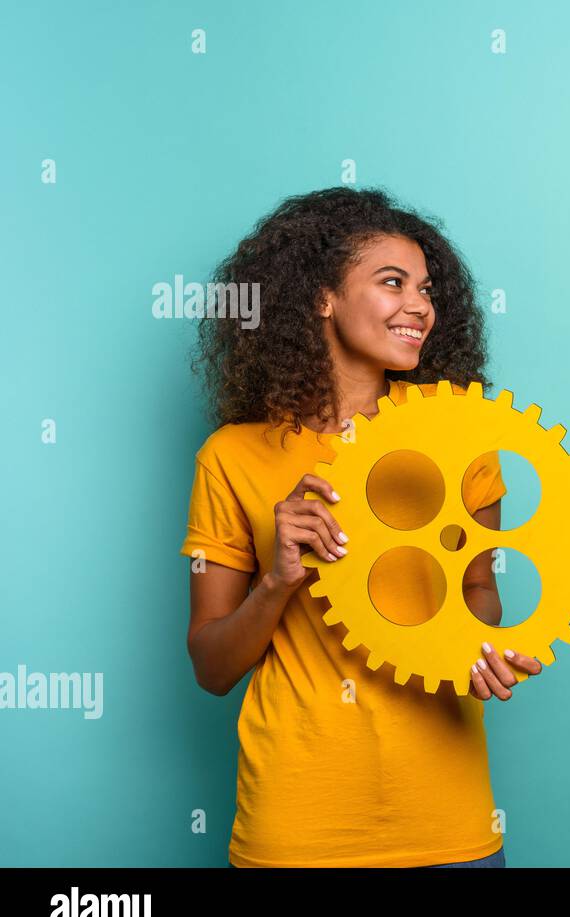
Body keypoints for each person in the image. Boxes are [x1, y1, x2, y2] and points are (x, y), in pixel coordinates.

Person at [182, 187, 536, 867]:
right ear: (321, 298)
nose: (421, 305)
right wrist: (277, 582)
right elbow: (211, 665)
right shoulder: (231, 455)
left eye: (427, 288)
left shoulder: (462, 434)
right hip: (295, 828)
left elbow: (481, 588)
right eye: (392, 282)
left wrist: (482, 646)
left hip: (448, 823)